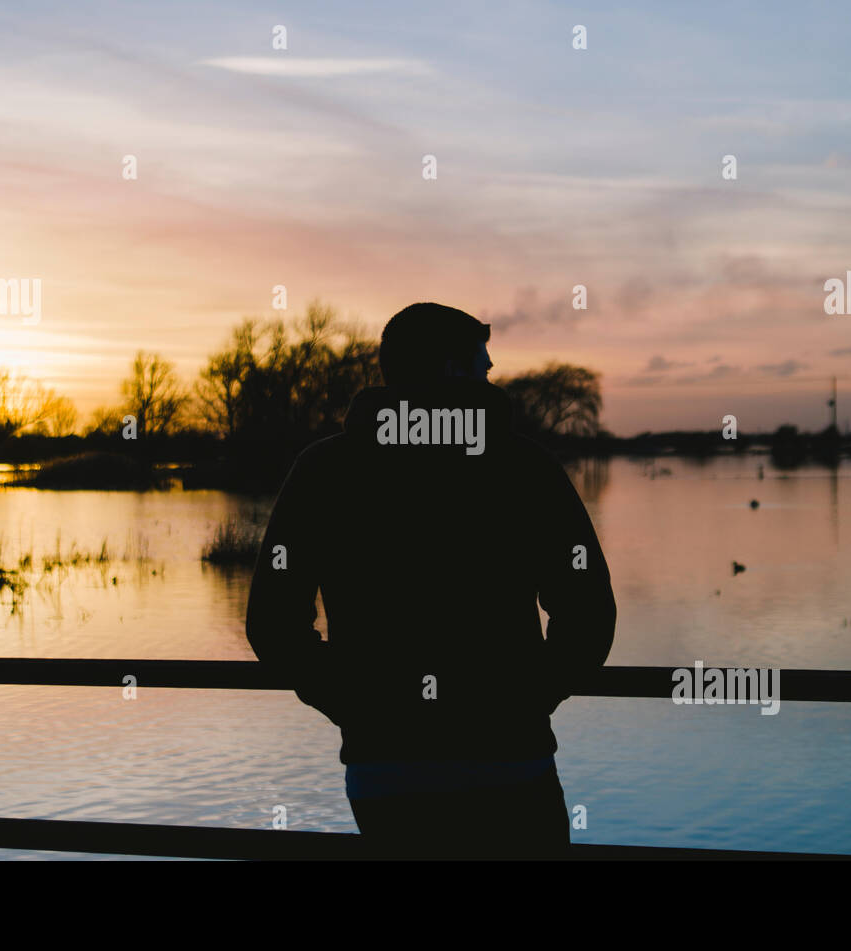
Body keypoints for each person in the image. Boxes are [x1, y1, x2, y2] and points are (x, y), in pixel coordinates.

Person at [245, 302, 616, 859]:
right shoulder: (524, 468)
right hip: (510, 762)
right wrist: (527, 700)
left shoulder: (325, 470)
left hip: (386, 770)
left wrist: (354, 703)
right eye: (483, 367)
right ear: (452, 369)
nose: (492, 377)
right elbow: (588, 613)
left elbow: (273, 623)